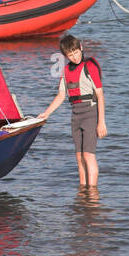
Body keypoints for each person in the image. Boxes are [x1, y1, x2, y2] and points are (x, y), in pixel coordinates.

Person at [39, 33, 107, 187]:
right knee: (79, 157)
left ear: (81, 48)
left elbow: (100, 95)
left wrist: (101, 122)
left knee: (89, 156)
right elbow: (61, 95)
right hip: (76, 115)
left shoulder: (90, 66)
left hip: (90, 113)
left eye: (76, 52)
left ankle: (92, 195)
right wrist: (46, 113)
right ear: (65, 56)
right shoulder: (66, 70)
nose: (75, 57)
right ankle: (83, 190)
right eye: (70, 55)